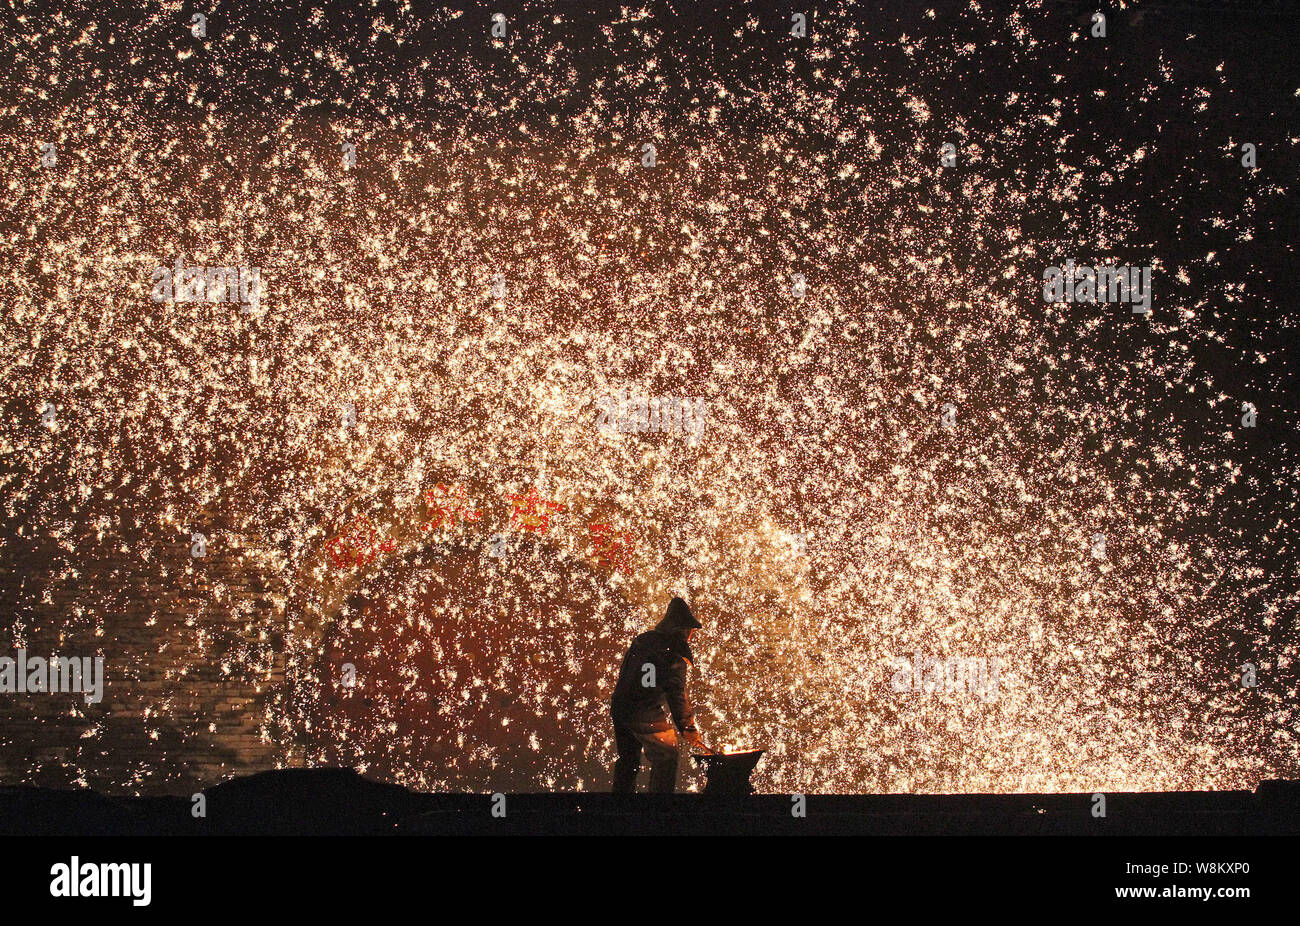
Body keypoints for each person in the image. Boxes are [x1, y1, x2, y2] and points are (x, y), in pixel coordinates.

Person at [610, 597, 710, 793]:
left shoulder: (643, 641)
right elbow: (676, 694)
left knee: (628, 760)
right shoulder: (674, 653)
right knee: (667, 754)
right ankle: (659, 808)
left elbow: (626, 673)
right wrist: (687, 727)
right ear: (681, 630)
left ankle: (618, 807)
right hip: (643, 711)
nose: (690, 636)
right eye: (689, 630)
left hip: (620, 706)